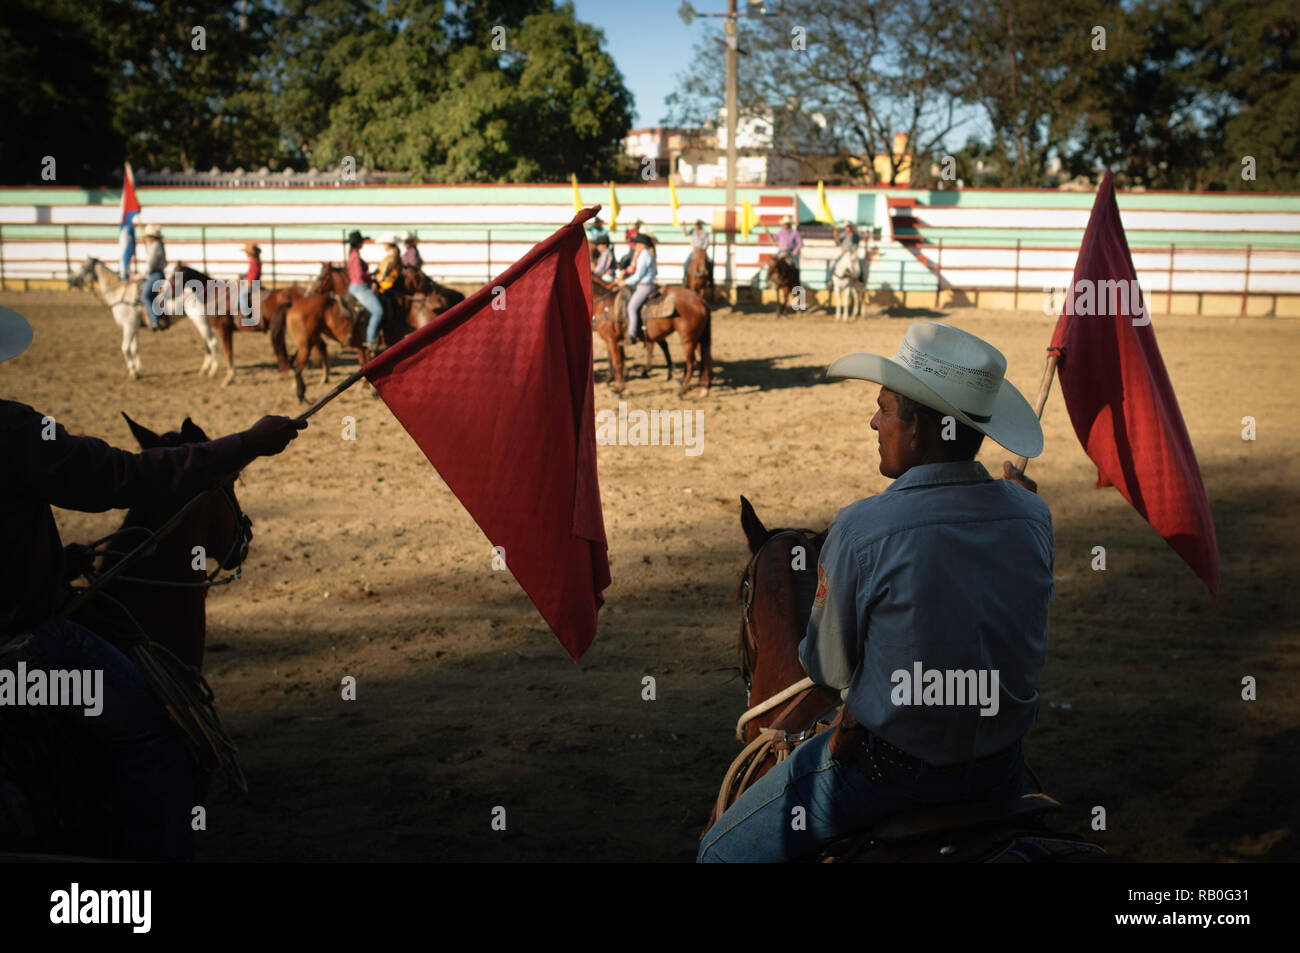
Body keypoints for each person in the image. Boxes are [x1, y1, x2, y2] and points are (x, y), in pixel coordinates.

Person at [698, 321, 1050, 862]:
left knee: (718, 853)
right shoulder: (1032, 514)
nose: (873, 421)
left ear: (918, 429)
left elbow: (827, 669)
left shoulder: (864, 527)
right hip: (1000, 767)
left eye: (884, 408)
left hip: (890, 775)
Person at [0, 305, 307, 861]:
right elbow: (120, 477)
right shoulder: (10, 428)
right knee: (153, 737)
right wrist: (243, 444)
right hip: (24, 642)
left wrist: (43, 559)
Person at [345, 230, 384, 354]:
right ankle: (371, 340)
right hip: (360, 287)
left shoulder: (352, 254)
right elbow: (360, 275)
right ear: (359, 243)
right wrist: (370, 277)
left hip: (356, 286)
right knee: (378, 311)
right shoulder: (356, 256)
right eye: (362, 241)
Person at [622, 234, 657, 345]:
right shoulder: (646, 255)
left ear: (642, 245)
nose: (635, 245)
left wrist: (625, 282)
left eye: (637, 243)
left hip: (644, 286)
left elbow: (638, 276)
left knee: (631, 307)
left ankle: (632, 334)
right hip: (645, 284)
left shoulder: (644, 256)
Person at [140, 224, 167, 331]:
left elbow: (149, 267)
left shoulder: (155, 247)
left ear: (151, 237)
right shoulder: (158, 245)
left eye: (147, 236)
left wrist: (138, 276)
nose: (145, 238)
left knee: (145, 296)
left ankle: (154, 321)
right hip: (158, 274)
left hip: (155, 275)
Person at [239, 242, 261, 324]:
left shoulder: (254, 261)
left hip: (253, 283)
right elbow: (251, 272)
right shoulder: (255, 260)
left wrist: (248, 281)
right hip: (252, 282)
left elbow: (255, 274)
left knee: (242, 294)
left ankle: (246, 314)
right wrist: (245, 275)